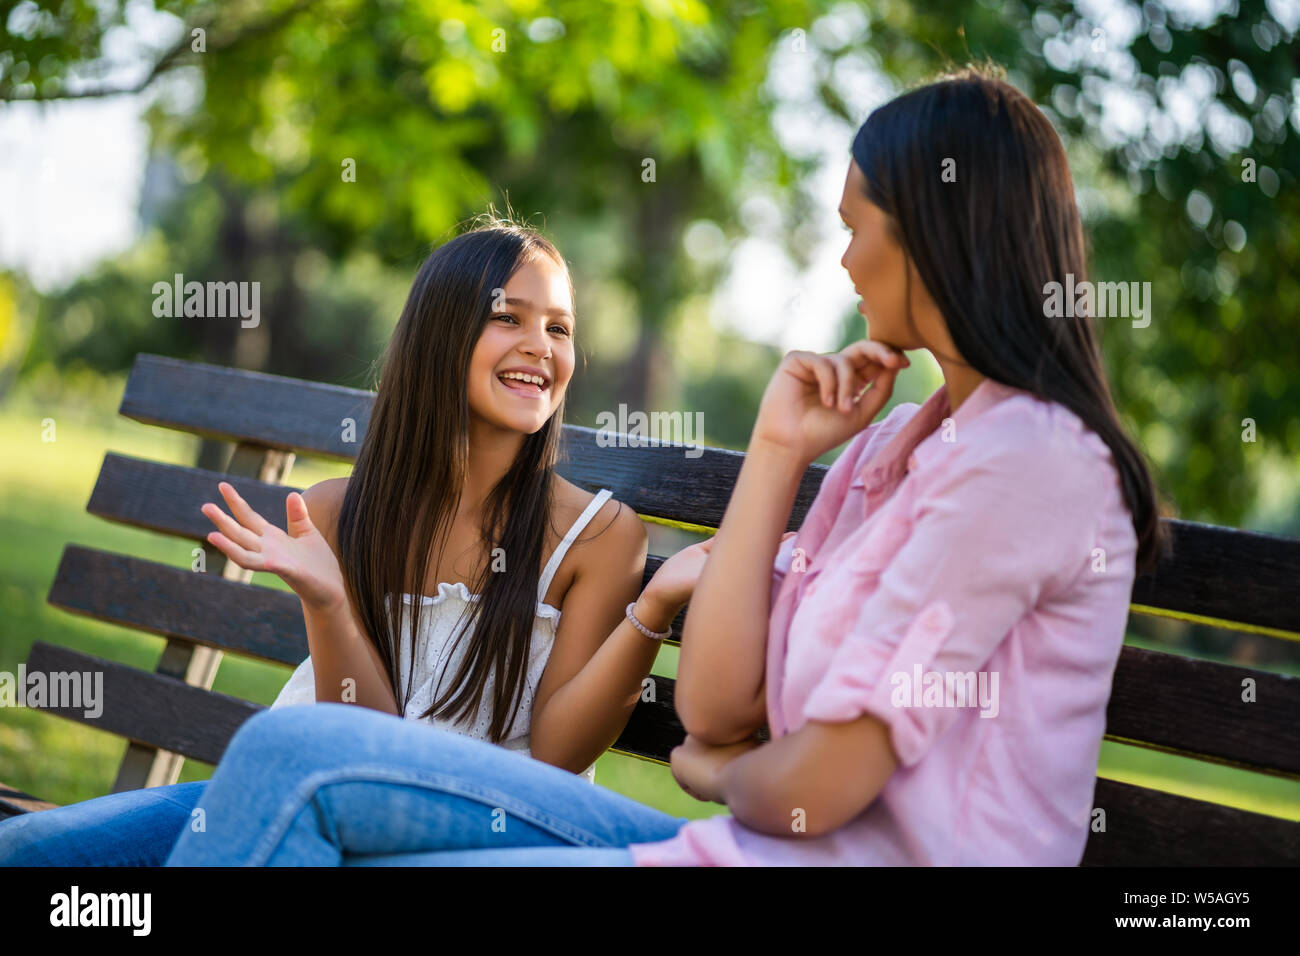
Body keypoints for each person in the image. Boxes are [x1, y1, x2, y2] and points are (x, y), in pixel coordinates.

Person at [163, 63, 1163, 867]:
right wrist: (773, 448)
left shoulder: (1028, 463)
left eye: (856, 226)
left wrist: (727, 772)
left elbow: (800, 784)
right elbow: (715, 706)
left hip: (741, 841)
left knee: (297, 759)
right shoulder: (888, 447)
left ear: (936, 233)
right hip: (724, 845)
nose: (844, 261)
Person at [0, 217, 711, 866]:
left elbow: (555, 761)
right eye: (508, 317)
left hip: (464, 830)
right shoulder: (338, 512)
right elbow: (360, 733)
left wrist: (651, 611)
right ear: (439, 335)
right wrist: (328, 600)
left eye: (560, 328)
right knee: (29, 848)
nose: (540, 345)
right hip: (302, 786)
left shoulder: (596, 536)